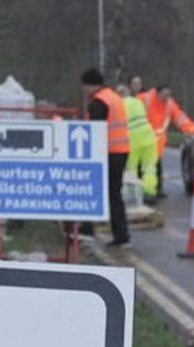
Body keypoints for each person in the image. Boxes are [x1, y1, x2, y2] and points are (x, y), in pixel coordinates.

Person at [80, 69, 130, 246]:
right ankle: (121, 235)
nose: (83, 91)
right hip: (121, 150)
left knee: (96, 191)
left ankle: (88, 229)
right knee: (114, 193)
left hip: (108, 152)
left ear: (90, 85)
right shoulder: (113, 96)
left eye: (84, 86)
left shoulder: (99, 102)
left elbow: (95, 132)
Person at [138, 79, 194, 197]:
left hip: (155, 143)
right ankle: (148, 192)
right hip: (142, 141)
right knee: (146, 169)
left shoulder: (169, 105)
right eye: (164, 94)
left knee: (154, 168)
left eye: (168, 95)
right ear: (158, 92)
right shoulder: (144, 99)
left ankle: (155, 190)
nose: (166, 97)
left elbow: (181, 120)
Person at [120, 80, 158, 201]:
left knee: (132, 168)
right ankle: (149, 192)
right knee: (149, 167)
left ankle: (133, 194)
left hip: (132, 139)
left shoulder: (118, 104)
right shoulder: (138, 102)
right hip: (149, 136)